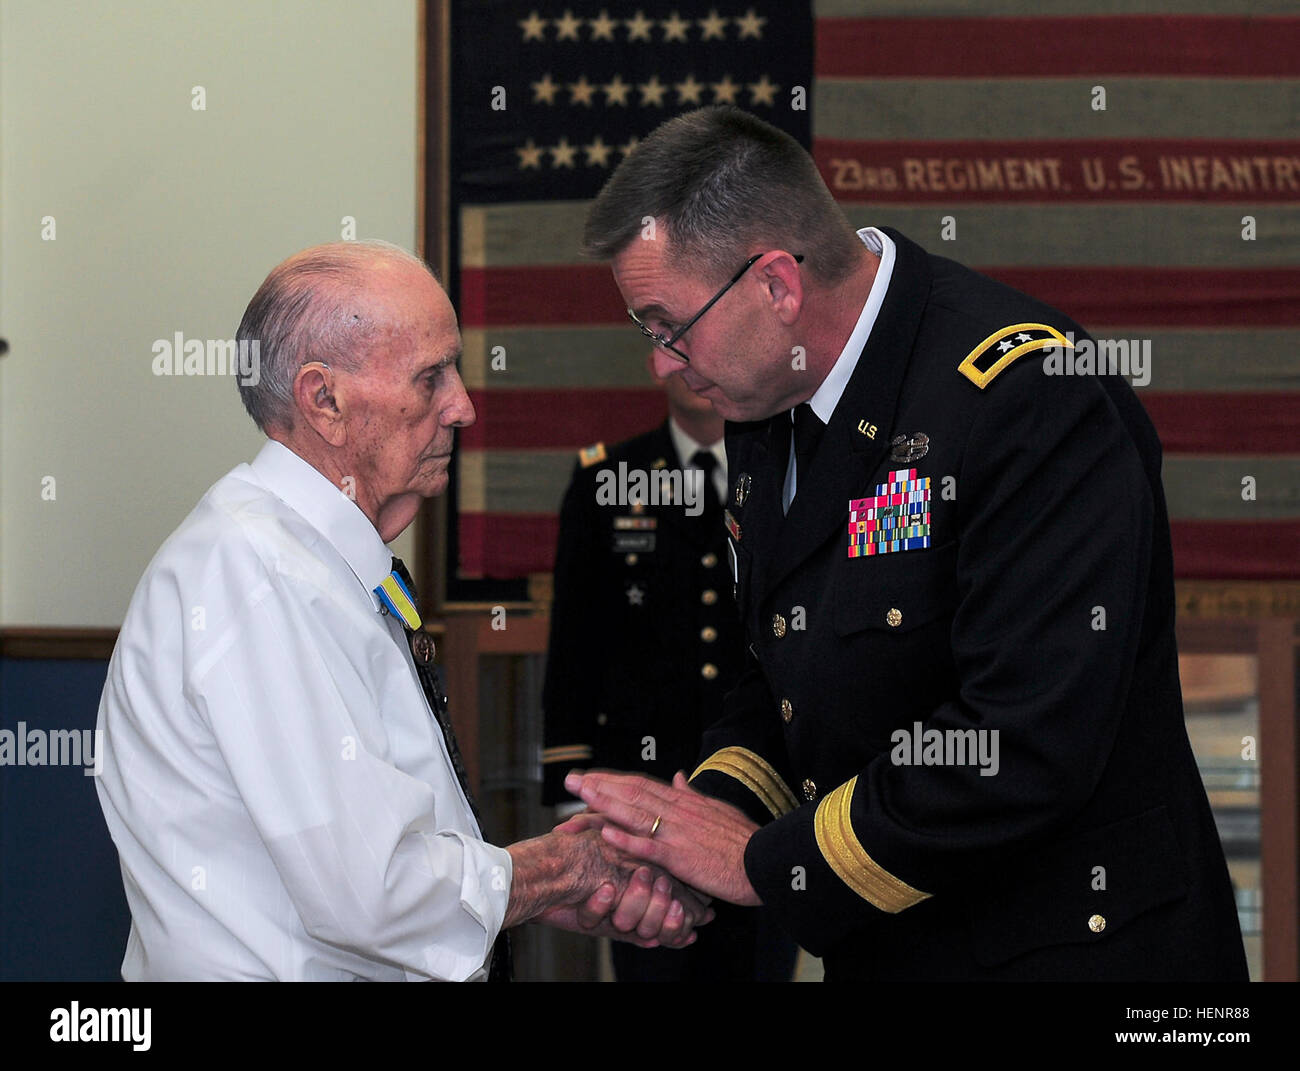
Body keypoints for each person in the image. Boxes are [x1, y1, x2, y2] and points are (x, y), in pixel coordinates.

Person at [562, 106, 1248, 982]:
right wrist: (695, 824)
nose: (660, 363)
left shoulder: (1029, 397)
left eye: (667, 325)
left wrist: (760, 861)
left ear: (776, 285)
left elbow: (1021, 739)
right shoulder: (767, 398)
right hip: (891, 947)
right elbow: (779, 678)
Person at [94, 241, 710, 981]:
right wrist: (557, 869)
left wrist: (523, 892)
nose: (464, 404)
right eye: (431, 377)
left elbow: (376, 855)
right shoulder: (255, 576)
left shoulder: (311, 562)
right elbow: (368, 890)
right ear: (324, 400)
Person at [542, 350, 797, 981]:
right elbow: (575, 642)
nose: (693, 367)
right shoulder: (610, 476)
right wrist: (573, 788)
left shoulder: (781, 468)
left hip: (762, 797)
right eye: (675, 348)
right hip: (640, 791)